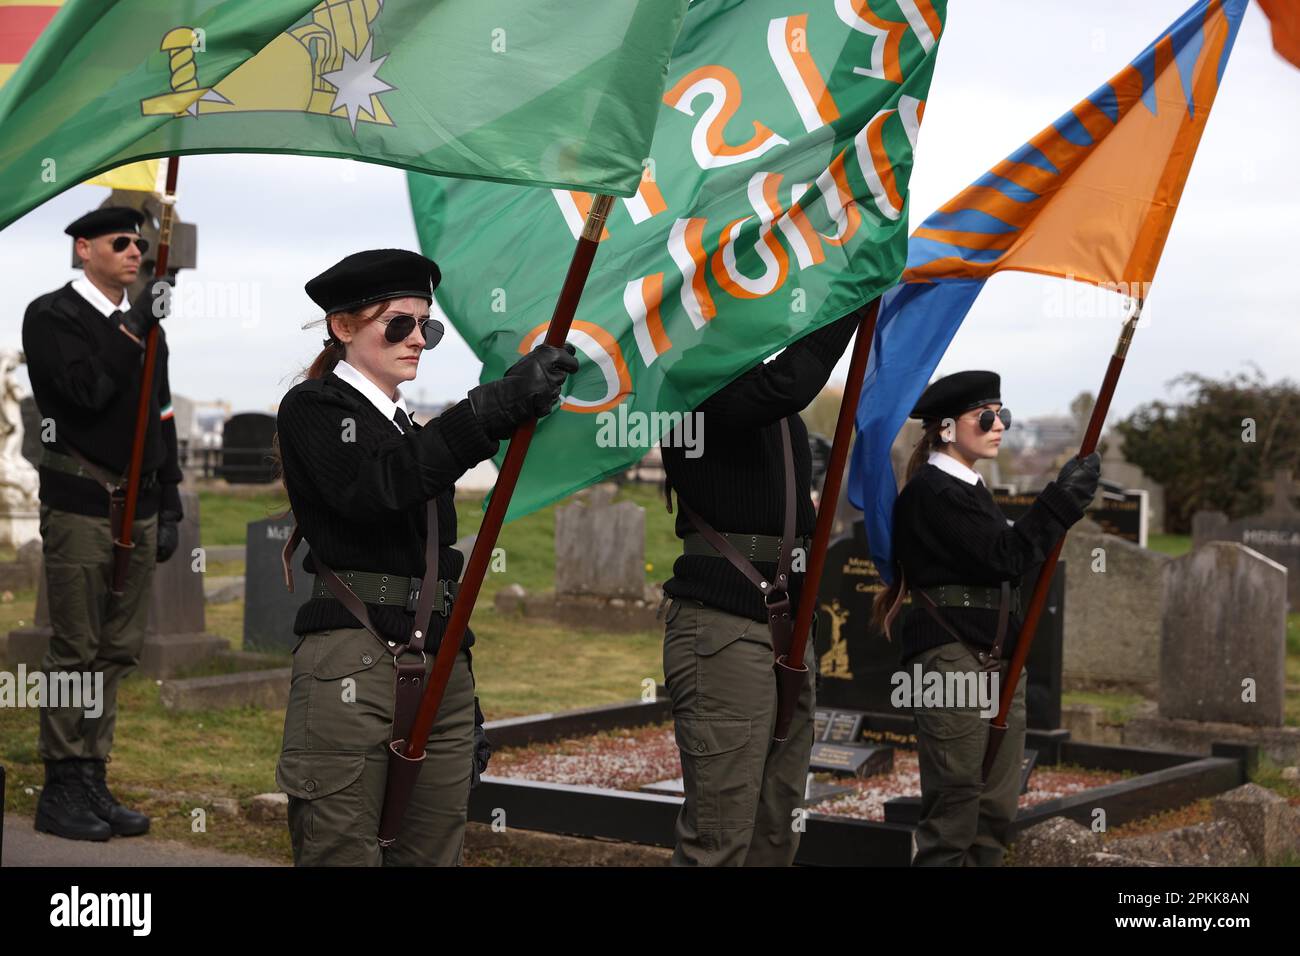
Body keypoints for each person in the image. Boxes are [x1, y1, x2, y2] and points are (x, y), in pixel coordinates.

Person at [273, 248, 576, 866]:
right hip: (352, 660)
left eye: (427, 326)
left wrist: (459, 681)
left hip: (436, 663)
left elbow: (435, 562)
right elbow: (377, 490)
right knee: (342, 850)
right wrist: (486, 410)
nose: (417, 339)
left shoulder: (410, 429)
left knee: (433, 853)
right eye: (398, 323)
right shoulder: (314, 408)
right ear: (343, 326)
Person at [659, 307, 864, 866]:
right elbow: (787, 386)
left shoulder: (770, 400)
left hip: (787, 627)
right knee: (720, 839)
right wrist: (853, 300)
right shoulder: (691, 374)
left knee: (777, 827)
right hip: (723, 629)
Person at [872, 370, 1100, 866]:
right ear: (948, 429)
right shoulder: (931, 492)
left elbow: (1010, 565)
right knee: (954, 810)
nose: (1000, 425)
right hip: (953, 662)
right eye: (988, 416)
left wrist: (1060, 505)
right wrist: (1061, 500)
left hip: (998, 661)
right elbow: (1002, 557)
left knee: (995, 811)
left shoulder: (972, 491)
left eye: (1004, 416)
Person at [22, 206, 182, 842]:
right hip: (83, 503)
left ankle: (92, 770)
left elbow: (161, 414)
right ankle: (60, 784)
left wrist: (169, 502)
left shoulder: (147, 330)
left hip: (140, 505)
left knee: (116, 651)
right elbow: (83, 394)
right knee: (76, 651)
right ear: (83, 248)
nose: (135, 252)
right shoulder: (51, 315)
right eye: (120, 243)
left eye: (140, 244)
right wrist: (135, 325)